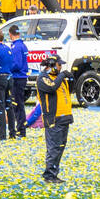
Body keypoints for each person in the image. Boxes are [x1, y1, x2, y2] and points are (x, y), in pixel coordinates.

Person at [36, 55, 74, 184]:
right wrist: (62, 76)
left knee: (60, 147)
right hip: (53, 118)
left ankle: (53, 173)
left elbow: (69, 91)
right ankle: (49, 175)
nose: (61, 67)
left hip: (65, 117)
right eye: (59, 64)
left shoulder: (60, 78)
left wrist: (71, 78)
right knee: (54, 148)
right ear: (52, 65)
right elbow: (51, 87)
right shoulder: (43, 78)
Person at [8, 24, 29, 139]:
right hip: (22, 77)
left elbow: (17, 64)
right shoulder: (22, 45)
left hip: (17, 77)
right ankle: (21, 128)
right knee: (19, 104)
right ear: (19, 33)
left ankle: (21, 129)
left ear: (10, 34)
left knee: (17, 104)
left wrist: (7, 68)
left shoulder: (16, 47)